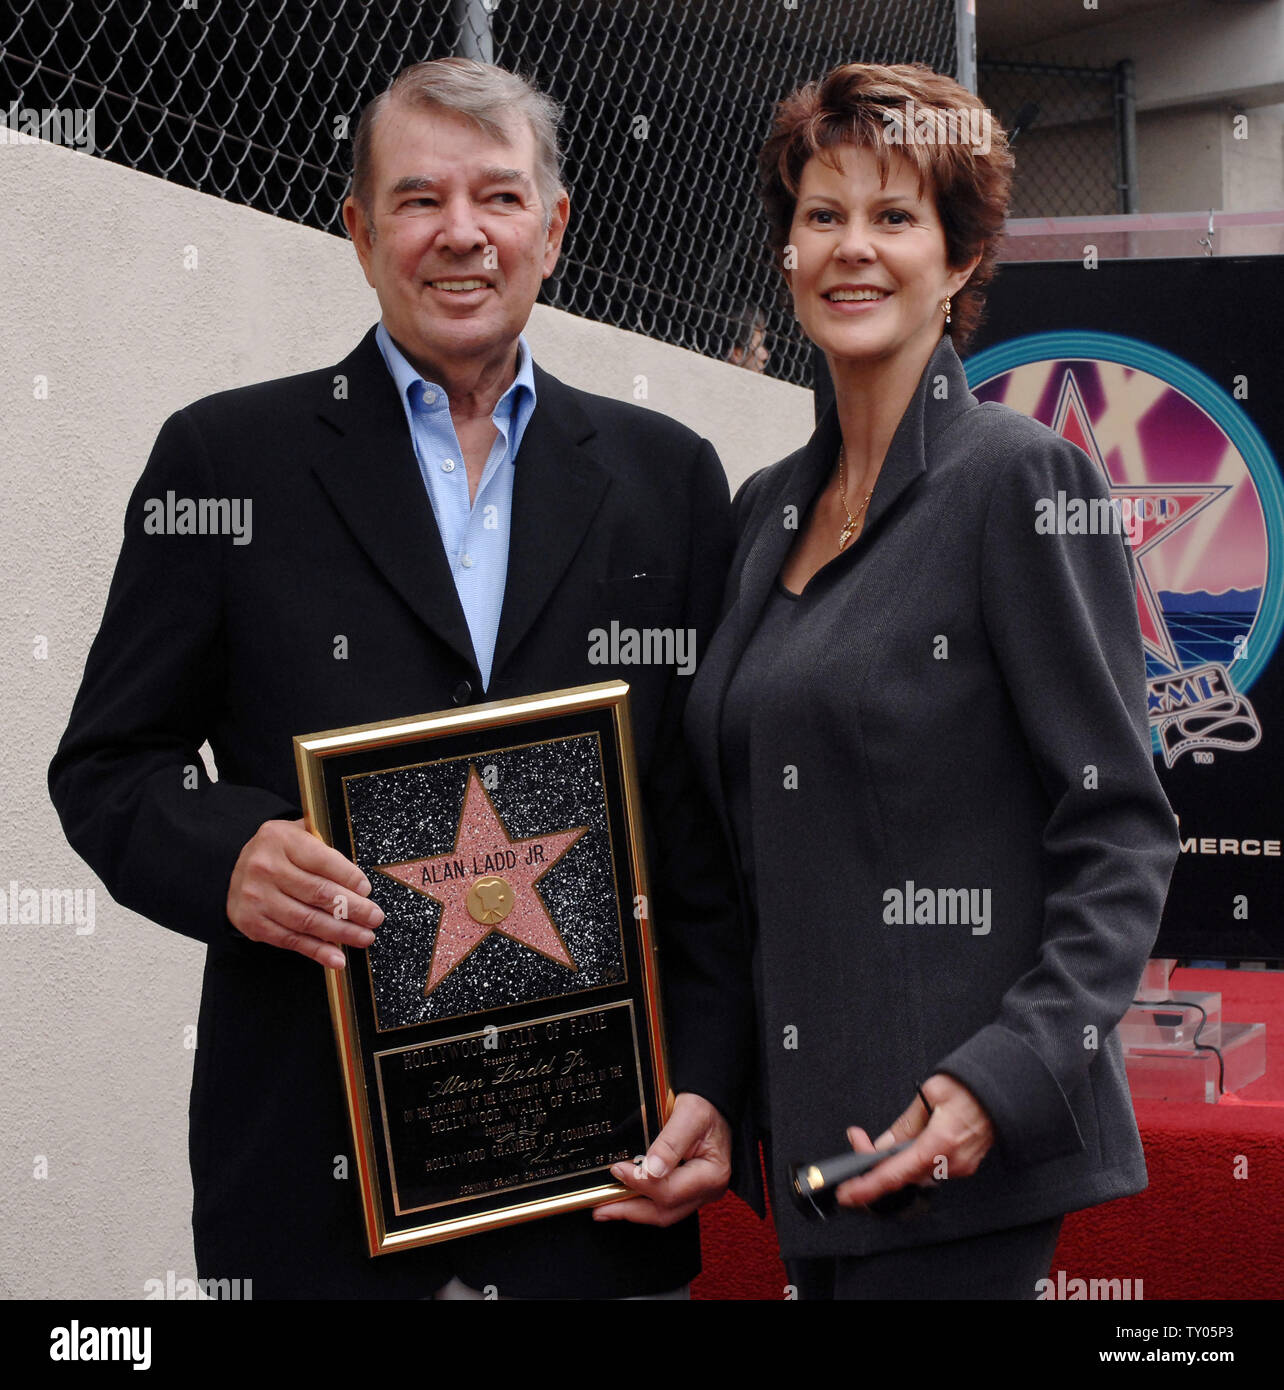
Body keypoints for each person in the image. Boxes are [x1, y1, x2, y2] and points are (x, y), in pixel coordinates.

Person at [48, 58, 751, 1301]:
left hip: (593, 1173)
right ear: (362, 233)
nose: (462, 233)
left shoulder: (670, 480)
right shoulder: (226, 458)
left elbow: (695, 828)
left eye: (498, 197)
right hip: (313, 1174)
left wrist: (708, 1077)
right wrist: (231, 850)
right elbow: (107, 767)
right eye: (419, 200)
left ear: (555, 228)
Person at [684, 62, 1181, 1300]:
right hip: (810, 1156)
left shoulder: (1023, 480)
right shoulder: (760, 516)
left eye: (895, 217)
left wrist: (996, 1082)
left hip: (956, 1159)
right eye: (822, 215)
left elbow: (1119, 825)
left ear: (958, 264)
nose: (855, 248)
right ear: (789, 255)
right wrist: (715, 1086)